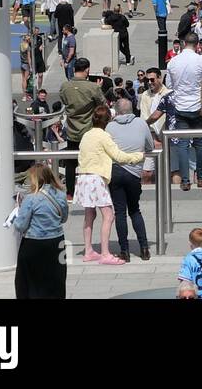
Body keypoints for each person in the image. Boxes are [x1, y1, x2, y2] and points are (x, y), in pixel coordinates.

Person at [75, 105, 144, 264]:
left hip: (83, 177)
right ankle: (105, 254)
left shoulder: (86, 135)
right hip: (96, 178)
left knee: (89, 215)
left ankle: (89, 251)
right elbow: (118, 156)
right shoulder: (104, 136)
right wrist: (138, 156)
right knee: (109, 215)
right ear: (107, 120)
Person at [105, 97, 154, 261]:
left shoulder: (110, 126)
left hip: (116, 171)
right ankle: (144, 247)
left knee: (120, 212)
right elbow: (150, 146)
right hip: (134, 172)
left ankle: (124, 251)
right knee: (134, 210)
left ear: (116, 111)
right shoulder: (141, 123)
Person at [13, 163, 69, 298]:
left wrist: (16, 213)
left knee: (29, 282)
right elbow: (64, 218)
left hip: (33, 243)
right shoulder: (61, 195)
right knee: (56, 280)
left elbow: (20, 225)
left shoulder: (31, 198)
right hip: (57, 241)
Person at [164, 33, 202, 188]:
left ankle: (185, 180)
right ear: (197, 44)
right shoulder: (200, 60)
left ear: (184, 43)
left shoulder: (173, 61)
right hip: (197, 106)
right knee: (200, 143)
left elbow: (170, 85)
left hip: (180, 106)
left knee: (183, 144)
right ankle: (201, 177)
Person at [59, 57, 107, 199]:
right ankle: (91, 192)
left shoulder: (65, 86)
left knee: (70, 163)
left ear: (74, 69)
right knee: (91, 161)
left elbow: (64, 100)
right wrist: (99, 87)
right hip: (88, 131)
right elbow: (102, 104)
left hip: (72, 131)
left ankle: (70, 192)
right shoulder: (93, 87)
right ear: (87, 70)